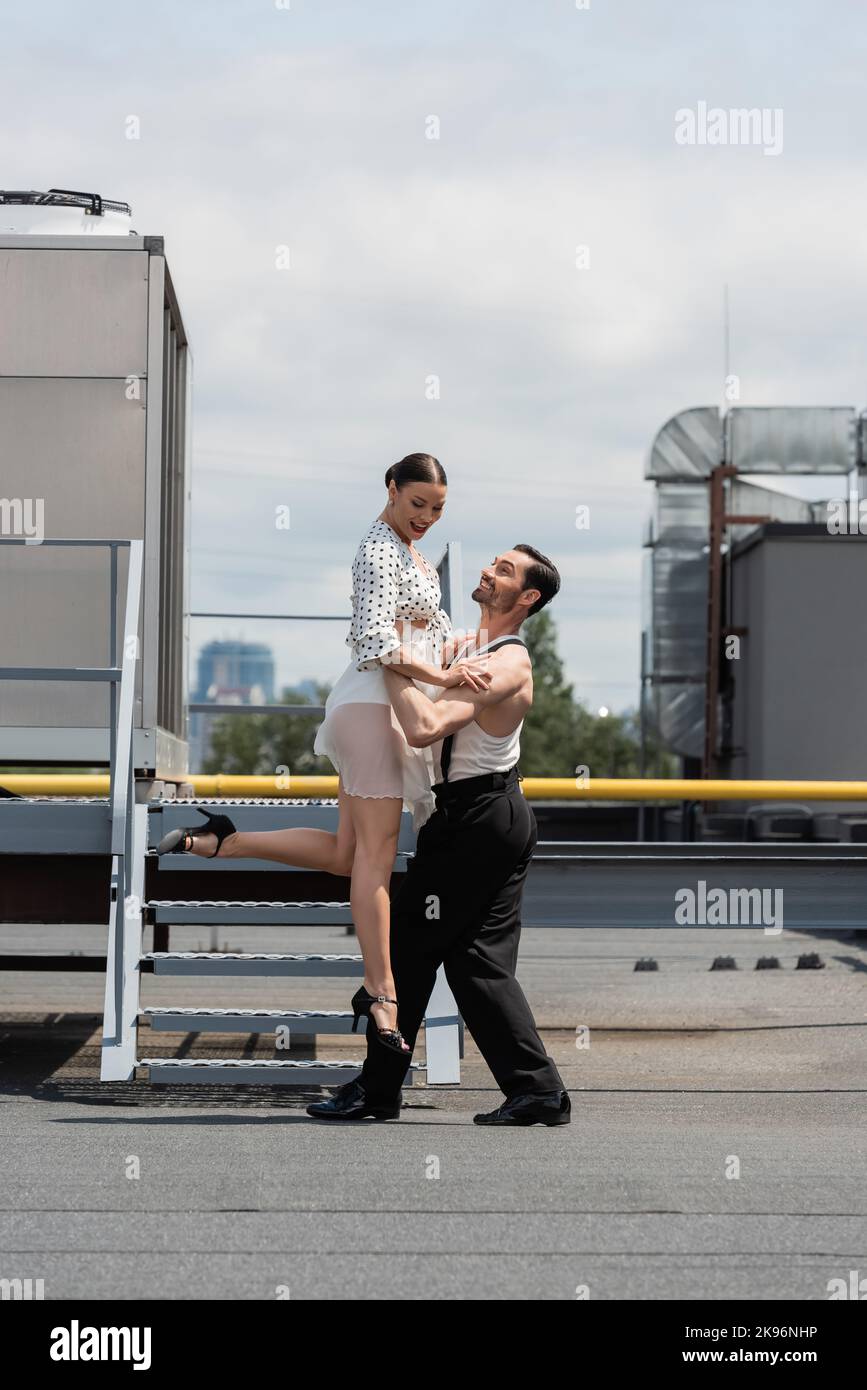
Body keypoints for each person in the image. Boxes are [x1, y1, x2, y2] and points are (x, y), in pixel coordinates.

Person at [156, 453, 490, 1054]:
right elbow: (374, 642)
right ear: (390, 489)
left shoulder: (410, 552)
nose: (427, 518)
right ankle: (383, 994)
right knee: (377, 859)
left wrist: (467, 645)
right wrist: (448, 680)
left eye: (437, 509)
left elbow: (426, 631)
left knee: (346, 854)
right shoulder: (377, 550)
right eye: (417, 504)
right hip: (371, 708)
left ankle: (221, 840)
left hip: (380, 710)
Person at [307, 543, 570, 1126]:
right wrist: (416, 652)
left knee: (408, 947)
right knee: (475, 959)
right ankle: (536, 1091)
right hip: (482, 816)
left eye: (503, 570)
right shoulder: (466, 650)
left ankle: (378, 1092)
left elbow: (423, 728)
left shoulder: (507, 663)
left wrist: (388, 657)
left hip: (478, 819)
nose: (487, 570)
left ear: (527, 597)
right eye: (493, 561)